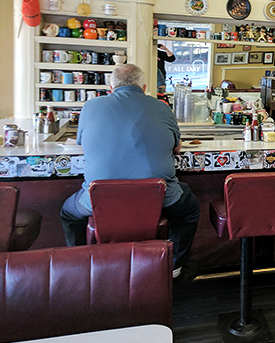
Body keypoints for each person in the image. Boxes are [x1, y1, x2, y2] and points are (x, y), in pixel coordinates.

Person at [60, 64, 200, 281]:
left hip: (100, 199)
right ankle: (174, 267)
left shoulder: (91, 106)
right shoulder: (162, 106)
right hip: (158, 197)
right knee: (189, 207)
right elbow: (176, 147)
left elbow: (81, 143)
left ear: (111, 87)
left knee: (68, 213)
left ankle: (78, 266)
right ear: (144, 87)